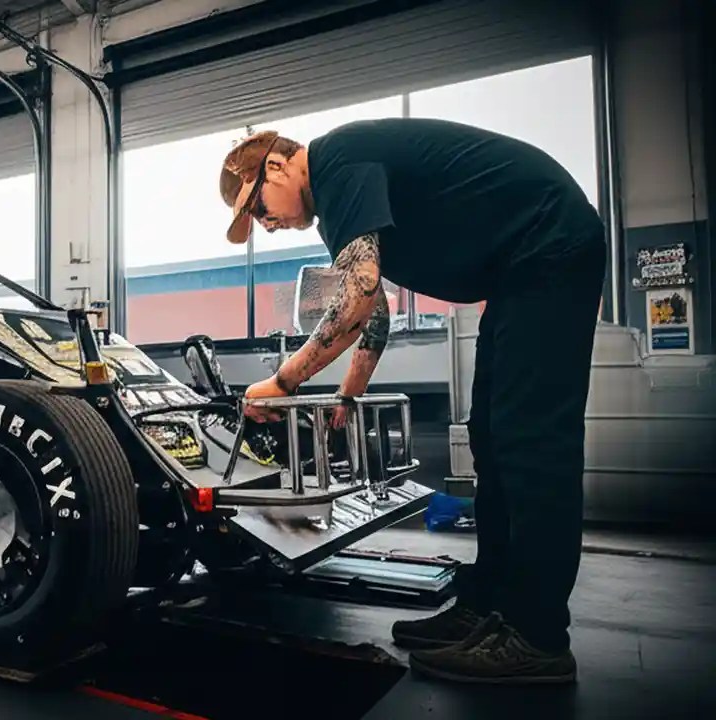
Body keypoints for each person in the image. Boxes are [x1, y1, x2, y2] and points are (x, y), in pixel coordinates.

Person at [219, 118, 605, 685]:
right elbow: (376, 312)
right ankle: (490, 607)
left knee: (531, 440)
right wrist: (346, 396)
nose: (265, 226)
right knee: (491, 437)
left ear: (276, 167)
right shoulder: (340, 200)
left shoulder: (337, 163)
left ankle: (539, 636)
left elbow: (359, 293)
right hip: (518, 270)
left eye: (257, 209)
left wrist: (284, 381)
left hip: (548, 245)